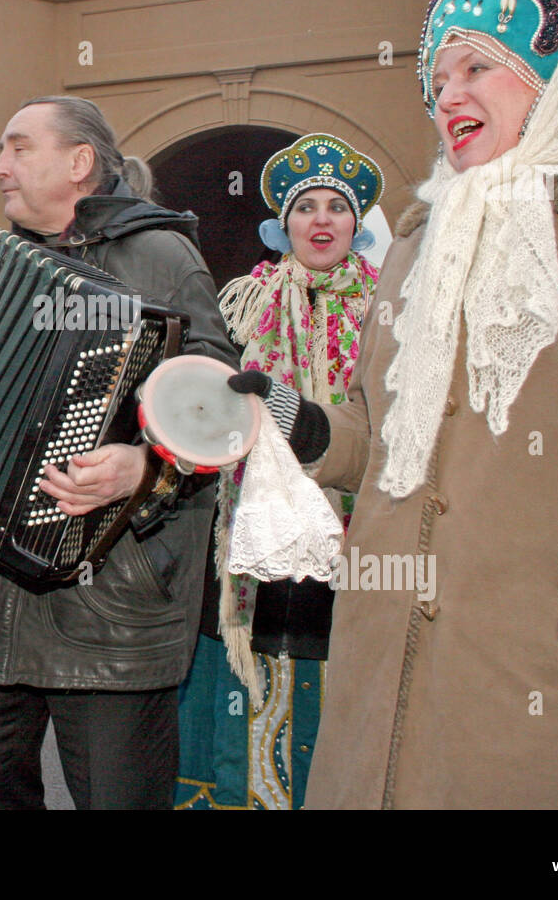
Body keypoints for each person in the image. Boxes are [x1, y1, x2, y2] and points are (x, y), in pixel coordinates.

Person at [232, 0, 558, 808]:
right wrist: (302, 423)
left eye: (476, 68)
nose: (448, 97)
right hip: (379, 714)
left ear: (553, 79)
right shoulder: (416, 252)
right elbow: (378, 428)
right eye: (435, 82)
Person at [0, 95, 238, 809]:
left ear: (79, 163)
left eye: (16, 148)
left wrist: (146, 467)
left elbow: (220, 407)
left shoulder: (161, 256)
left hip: (111, 612)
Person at [175, 133, 383, 810]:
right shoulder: (246, 306)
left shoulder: (388, 314)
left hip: (352, 545)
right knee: (246, 717)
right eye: (306, 208)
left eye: (336, 208)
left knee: (336, 709)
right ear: (282, 225)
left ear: (356, 225)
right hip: (252, 555)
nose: (321, 220)